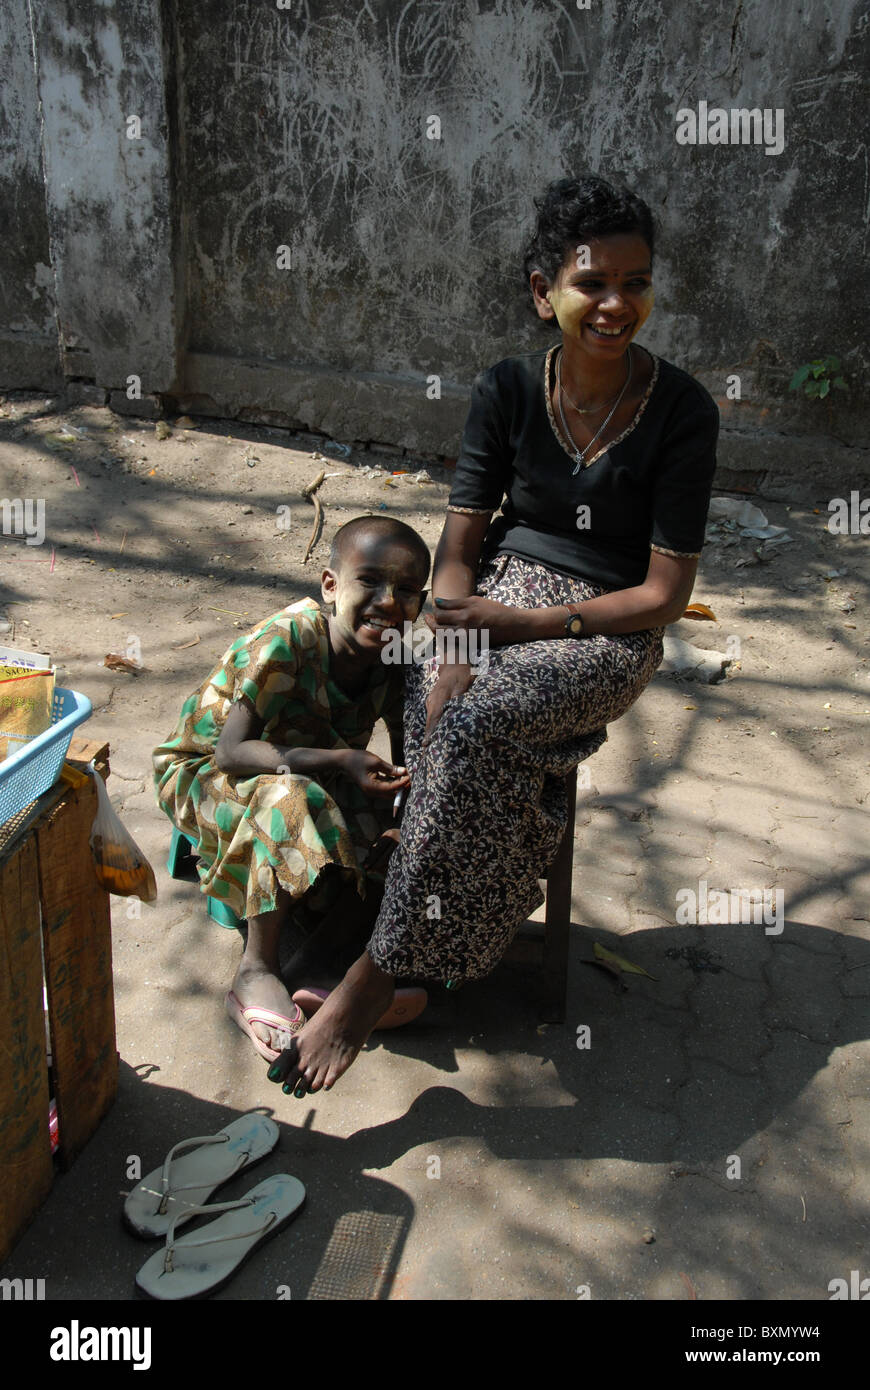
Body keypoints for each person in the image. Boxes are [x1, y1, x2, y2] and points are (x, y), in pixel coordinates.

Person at [267, 172, 720, 1099]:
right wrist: (460, 639)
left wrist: (529, 627)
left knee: (475, 730)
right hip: (495, 597)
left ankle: (376, 974)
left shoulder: (682, 411)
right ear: (542, 289)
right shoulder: (509, 389)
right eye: (592, 282)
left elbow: (667, 592)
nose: (614, 304)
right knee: (420, 687)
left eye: (635, 283)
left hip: (605, 627)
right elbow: (462, 545)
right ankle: (427, 945)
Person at [151, 514, 431, 1061]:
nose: (388, 602)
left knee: (403, 828)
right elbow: (230, 751)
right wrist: (342, 758)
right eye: (369, 581)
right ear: (330, 586)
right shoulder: (290, 638)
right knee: (292, 798)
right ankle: (257, 970)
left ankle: (324, 969)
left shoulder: (396, 658)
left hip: (316, 775)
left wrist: (401, 800)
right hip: (207, 772)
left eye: (406, 590)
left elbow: (405, 751)